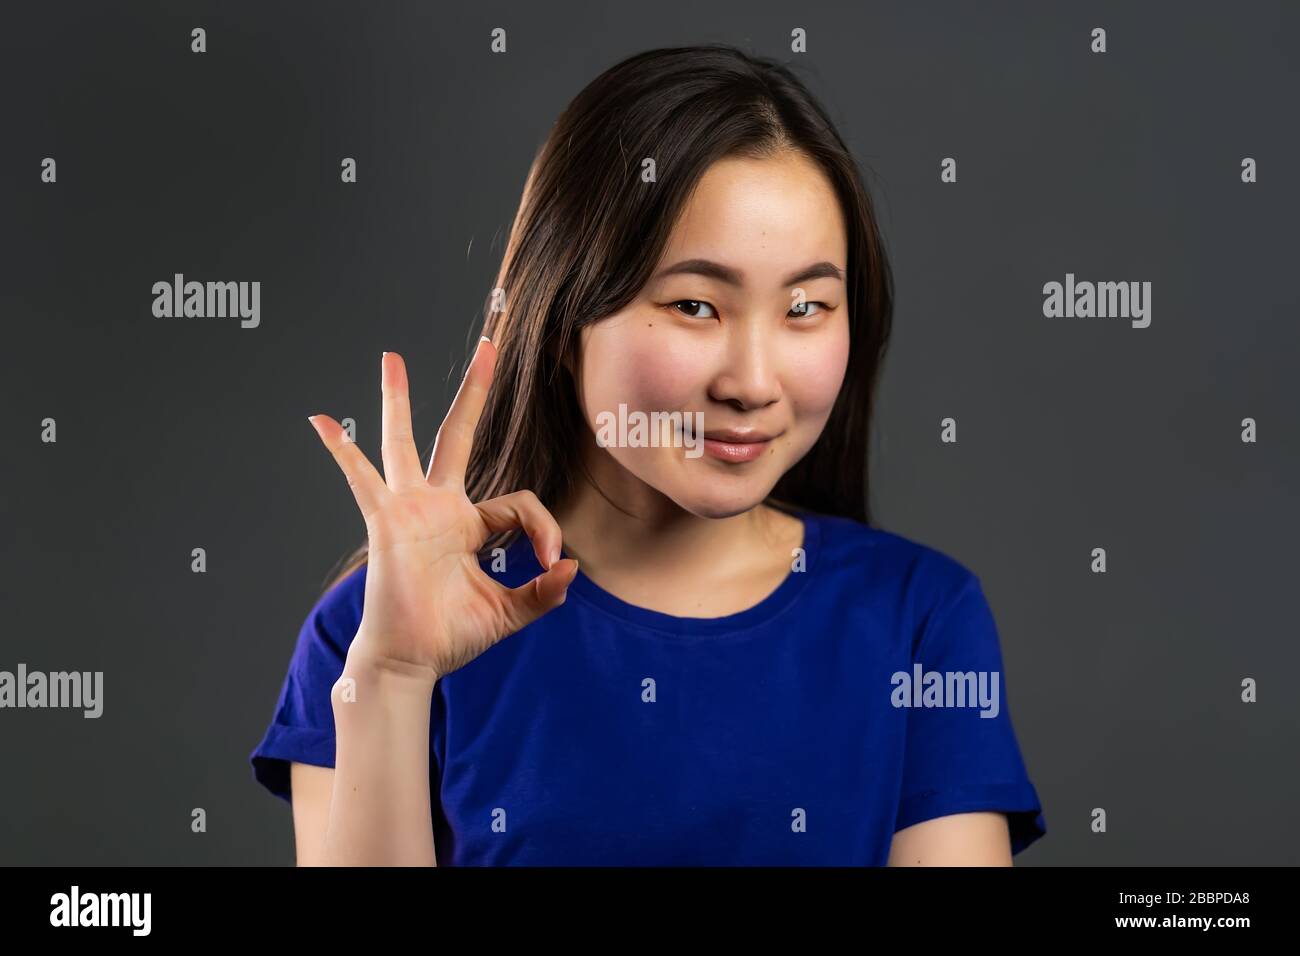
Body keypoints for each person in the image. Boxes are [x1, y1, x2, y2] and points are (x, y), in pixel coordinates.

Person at [249, 43, 1046, 866]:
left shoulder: (919, 620)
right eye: (696, 304)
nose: (753, 381)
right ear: (563, 323)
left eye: (806, 306)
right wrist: (395, 676)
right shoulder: (372, 630)